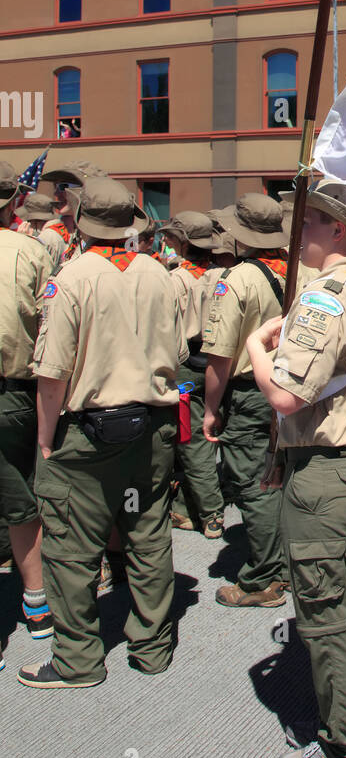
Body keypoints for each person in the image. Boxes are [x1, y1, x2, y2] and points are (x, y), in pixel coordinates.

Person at [18, 176, 187, 688]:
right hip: (152, 425)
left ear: (82, 222)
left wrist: (46, 438)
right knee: (147, 534)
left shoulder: (72, 277)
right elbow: (178, 353)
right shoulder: (160, 274)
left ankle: (78, 660)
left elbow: (52, 373)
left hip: (88, 432)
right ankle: (153, 647)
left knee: (71, 546)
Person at [246, 181, 346, 758]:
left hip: (325, 475)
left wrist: (256, 346)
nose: (298, 231)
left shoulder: (325, 296)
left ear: (339, 232)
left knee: (327, 611)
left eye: (309, 223)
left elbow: (284, 393)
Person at [201, 193, 290, 608]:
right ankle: (287, 564)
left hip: (251, 391)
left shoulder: (237, 279)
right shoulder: (300, 270)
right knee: (284, 476)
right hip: (293, 390)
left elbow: (220, 358)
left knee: (255, 483)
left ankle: (263, 579)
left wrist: (209, 408)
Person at [0, 162, 55, 655]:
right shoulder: (32, 253)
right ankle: (36, 603)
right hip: (13, 392)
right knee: (22, 500)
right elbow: (49, 328)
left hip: (12, 392)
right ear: (13, 203)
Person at [161, 212, 225, 540]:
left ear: (184, 243)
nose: (168, 242)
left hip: (186, 365)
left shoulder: (176, 279)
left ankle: (212, 513)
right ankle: (186, 510)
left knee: (191, 441)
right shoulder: (222, 274)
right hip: (216, 361)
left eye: (172, 237)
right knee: (204, 437)